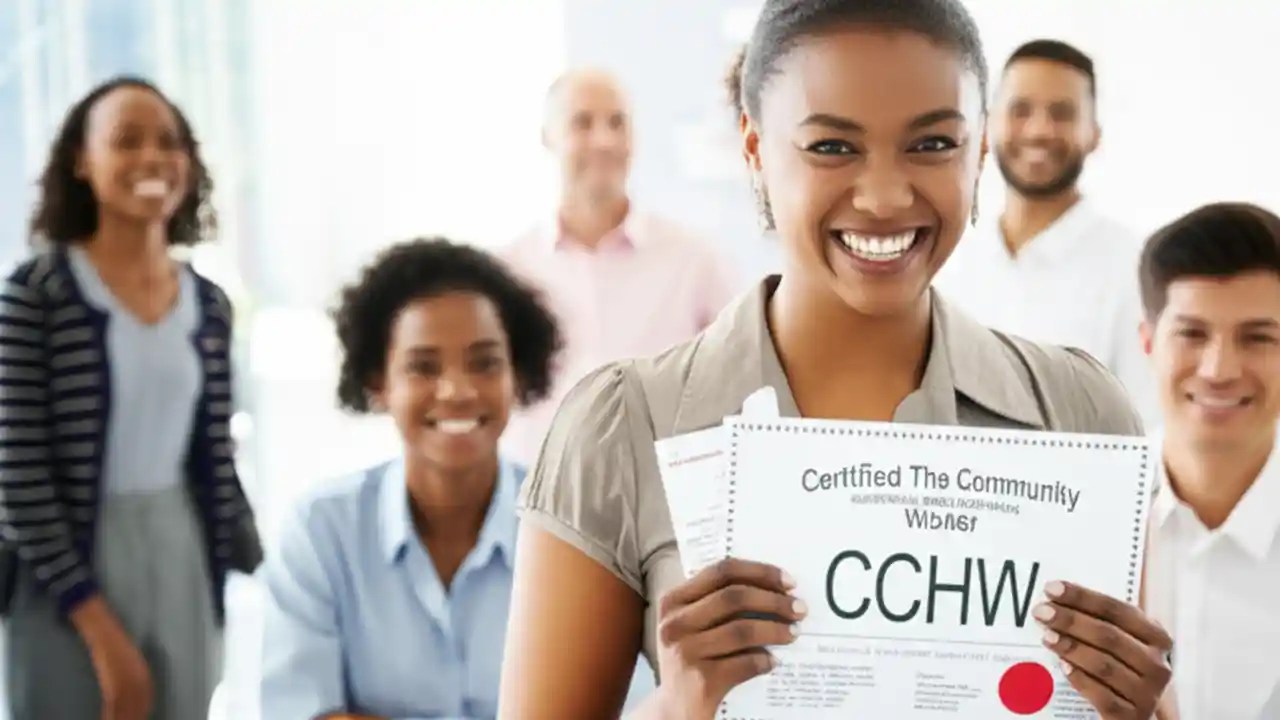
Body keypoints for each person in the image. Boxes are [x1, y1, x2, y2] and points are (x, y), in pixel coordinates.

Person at [497, 2, 1173, 719]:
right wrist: (676, 707)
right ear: (754, 148)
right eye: (831, 148)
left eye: (933, 144)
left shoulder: (1080, 414)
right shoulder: (621, 429)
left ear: (980, 152)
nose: (883, 196)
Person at [0, 76, 261, 719]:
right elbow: (16, 471)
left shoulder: (209, 304)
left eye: (169, 142)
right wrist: (99, 628)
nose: (152, 158)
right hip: (64, 566)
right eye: (126, 140)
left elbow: (214, 455)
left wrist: (243, 558)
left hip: (181, 548)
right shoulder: (36, 295)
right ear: (81, 162)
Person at [257, 238, 560, 720]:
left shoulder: (570, 537)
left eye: (485, 363)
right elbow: (303, 712)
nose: (457, 391)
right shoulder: (321, 531)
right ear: (379, 383)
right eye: (423, 367)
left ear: (517, 375)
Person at [497, 67, 743, 468]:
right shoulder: (507, 272)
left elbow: (740, 382)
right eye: (582, 122)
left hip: (661, 503)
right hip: (539, 499)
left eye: (617, 122)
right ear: (548, 137)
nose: (604, 139)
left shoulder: (695, 261)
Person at [932, 39, 1157, 427]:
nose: (1039, 130)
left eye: (1063, 113)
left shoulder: (1135, 269)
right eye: (1020, 110)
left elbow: (1151, 427)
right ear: (986, 126)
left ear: (1094, 134)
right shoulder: (944, 261)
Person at [1137, 203, 1280, 720]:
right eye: (1193, 334)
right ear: (1148, 343)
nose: (1220, 369)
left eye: (1258, 338)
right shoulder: (1083, 508)